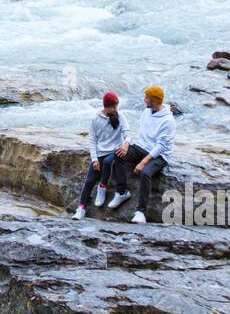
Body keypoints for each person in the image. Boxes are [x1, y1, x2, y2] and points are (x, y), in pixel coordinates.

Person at [110, 84, 175, 224]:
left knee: (145, 172)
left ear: (154, 100)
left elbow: (161, 146)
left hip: (160, 155)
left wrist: (143, 162)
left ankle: (141, 212)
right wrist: (127, 144)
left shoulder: (168, 121)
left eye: (147, 98)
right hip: (142, 147)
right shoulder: (147, 112)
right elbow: (141, 135)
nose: (144, 100)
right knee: (118, 154)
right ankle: (121, 192)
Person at [72, 93, 129, 221]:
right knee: (89, 181)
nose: (115, 109)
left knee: (109, 161)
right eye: (112, 107)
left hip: (115, 151)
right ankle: (81, 209)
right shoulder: (95, 119)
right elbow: (92, 140)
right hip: (100, 153)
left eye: (116, 106)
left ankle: (102, 187)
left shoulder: (120, 117)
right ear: (105, 106)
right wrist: (94, 159)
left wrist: (125, 144)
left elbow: (128, 133)